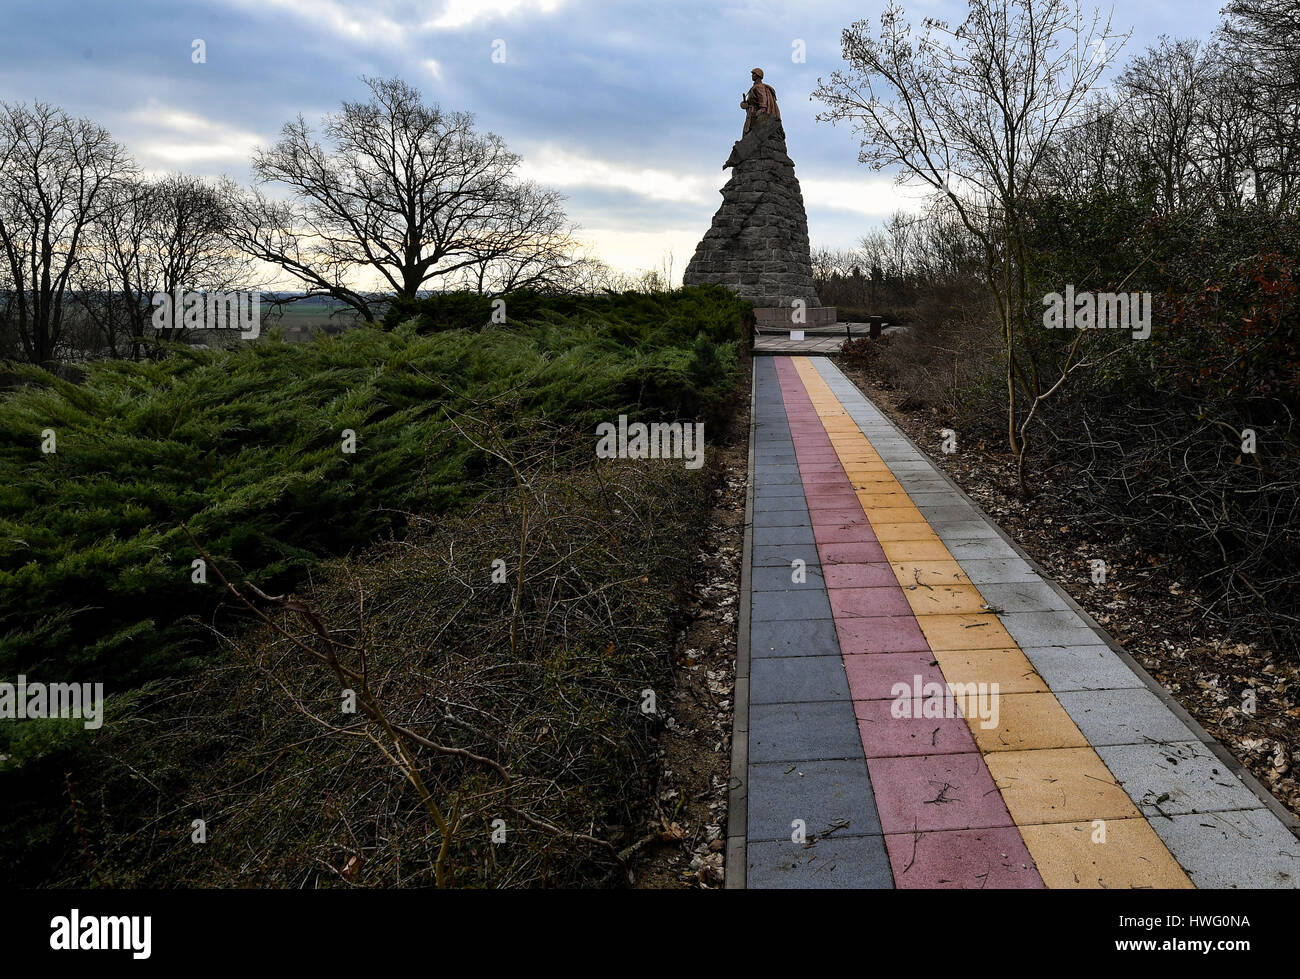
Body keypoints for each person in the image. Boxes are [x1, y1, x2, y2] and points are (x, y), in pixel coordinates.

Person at [740, 67, 780, 135]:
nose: (752, 76)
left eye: (753, 74)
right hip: (751, 112)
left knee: (750, 132)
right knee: (748, 133)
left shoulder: (759, 87)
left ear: (758, 75)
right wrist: (745, 103)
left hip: (754, 113)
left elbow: (763, 97)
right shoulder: (755, 86)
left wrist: (762, 108)